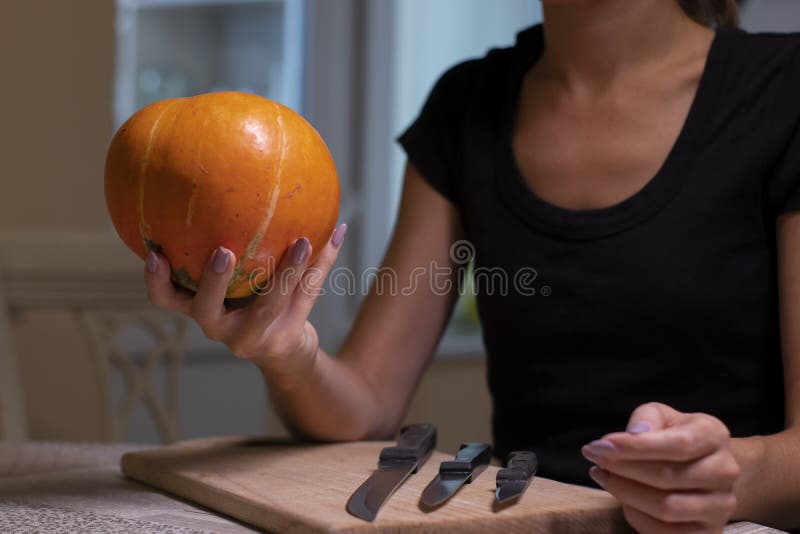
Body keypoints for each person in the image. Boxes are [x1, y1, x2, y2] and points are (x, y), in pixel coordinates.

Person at [144, 0, 800, 531]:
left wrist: (725, 475)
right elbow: (365, 405)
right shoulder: (464, 108)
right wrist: (288, 353)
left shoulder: (786, 91)